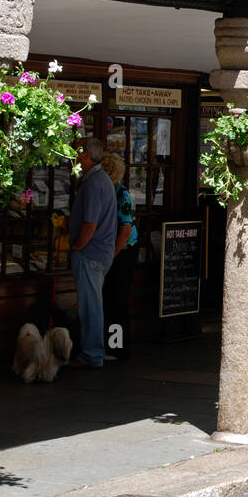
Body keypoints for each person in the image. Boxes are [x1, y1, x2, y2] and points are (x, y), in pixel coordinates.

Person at [68, 137, 118, 368]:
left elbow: (90, 225)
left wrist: (77, 246)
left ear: (86, 155)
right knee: (92, 305)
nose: (73, 157)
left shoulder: (95, 182)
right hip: (98, 252)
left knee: (90, 307)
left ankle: (92, 354)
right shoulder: (99, 180)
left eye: (77, 152)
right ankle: (92, 352)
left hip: (91, 253)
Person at [101, 153, 138, 362]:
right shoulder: (108, 192)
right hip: (113, 249)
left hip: (123, 250)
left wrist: (112, 256)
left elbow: (125, 231)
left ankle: (118, 347)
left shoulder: (121, 195)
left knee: (118, 299)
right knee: (109, 297)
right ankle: (109, 343)